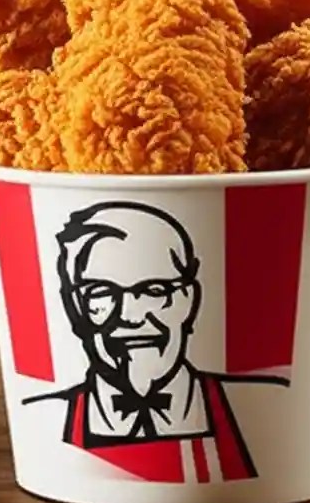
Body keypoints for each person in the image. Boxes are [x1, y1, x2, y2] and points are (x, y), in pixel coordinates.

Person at [23, 201, 267, 482]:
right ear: (75, 307)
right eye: (102, 292)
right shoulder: (40, 418)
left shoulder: (261, 406)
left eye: (154, 290)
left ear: (189, 299)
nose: (131, 316)